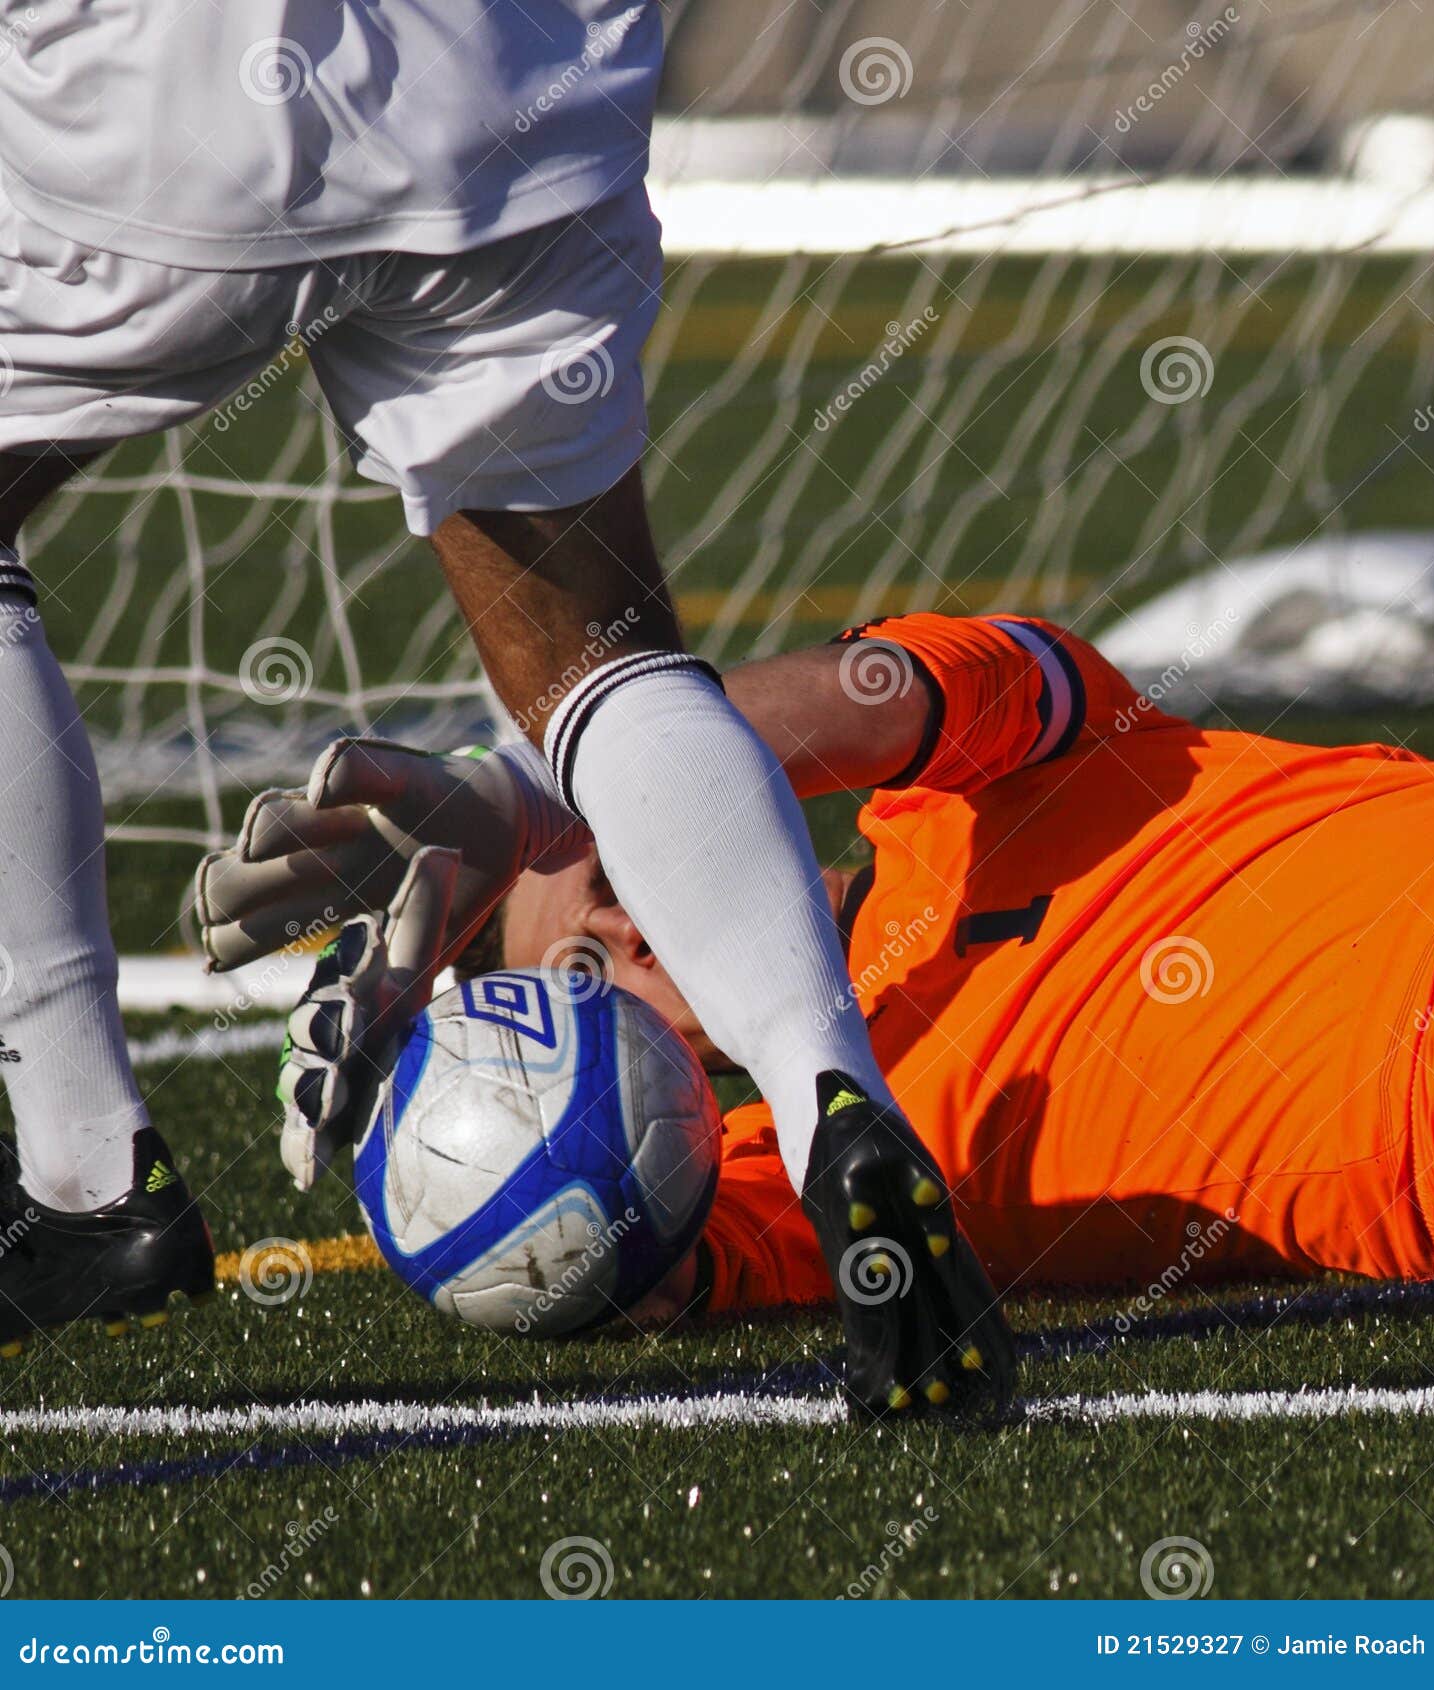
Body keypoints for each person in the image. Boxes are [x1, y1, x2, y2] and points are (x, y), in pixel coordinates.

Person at [0, 4, 1006, 1412]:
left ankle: (88, 1184)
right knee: (604, 662)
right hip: (512, 88)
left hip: (184, 83)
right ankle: (831, 1093)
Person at [198, 610, 1434, 1336]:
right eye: (586, 970)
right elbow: (629, 1276)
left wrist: (538, 786)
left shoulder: (971, 782)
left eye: (609, 868)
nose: (633, 929)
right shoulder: (808, 1171)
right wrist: (417, 1135)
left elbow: (886, 692)